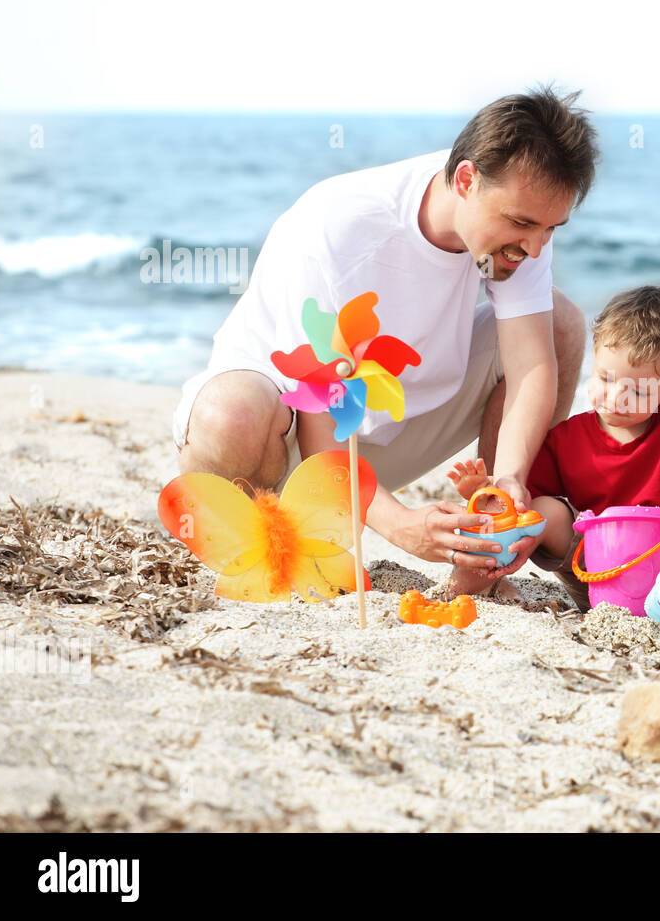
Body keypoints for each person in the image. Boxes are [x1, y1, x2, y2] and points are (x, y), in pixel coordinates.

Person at [171, 87, 600, 577]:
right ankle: (258, 536)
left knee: (559, 324)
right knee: (233, 413)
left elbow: (531, 367)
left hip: (389, 431)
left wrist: (509, 478)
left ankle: (494, 546)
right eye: (523, 224)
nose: (536, 247)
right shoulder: (340, 223)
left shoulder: (520, 226)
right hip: (282, 437)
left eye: (551, 229)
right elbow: (321, 414)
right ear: (466, 180)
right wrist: (399, 526)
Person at [445, 286, 660, 615]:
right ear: (593, 361)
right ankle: (471, 587)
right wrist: (485, 493)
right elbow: (522, 506)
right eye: (605, 380)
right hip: (599, 574)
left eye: (639, 392)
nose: (616, 400)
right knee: (542, 508)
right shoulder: (568, 439)